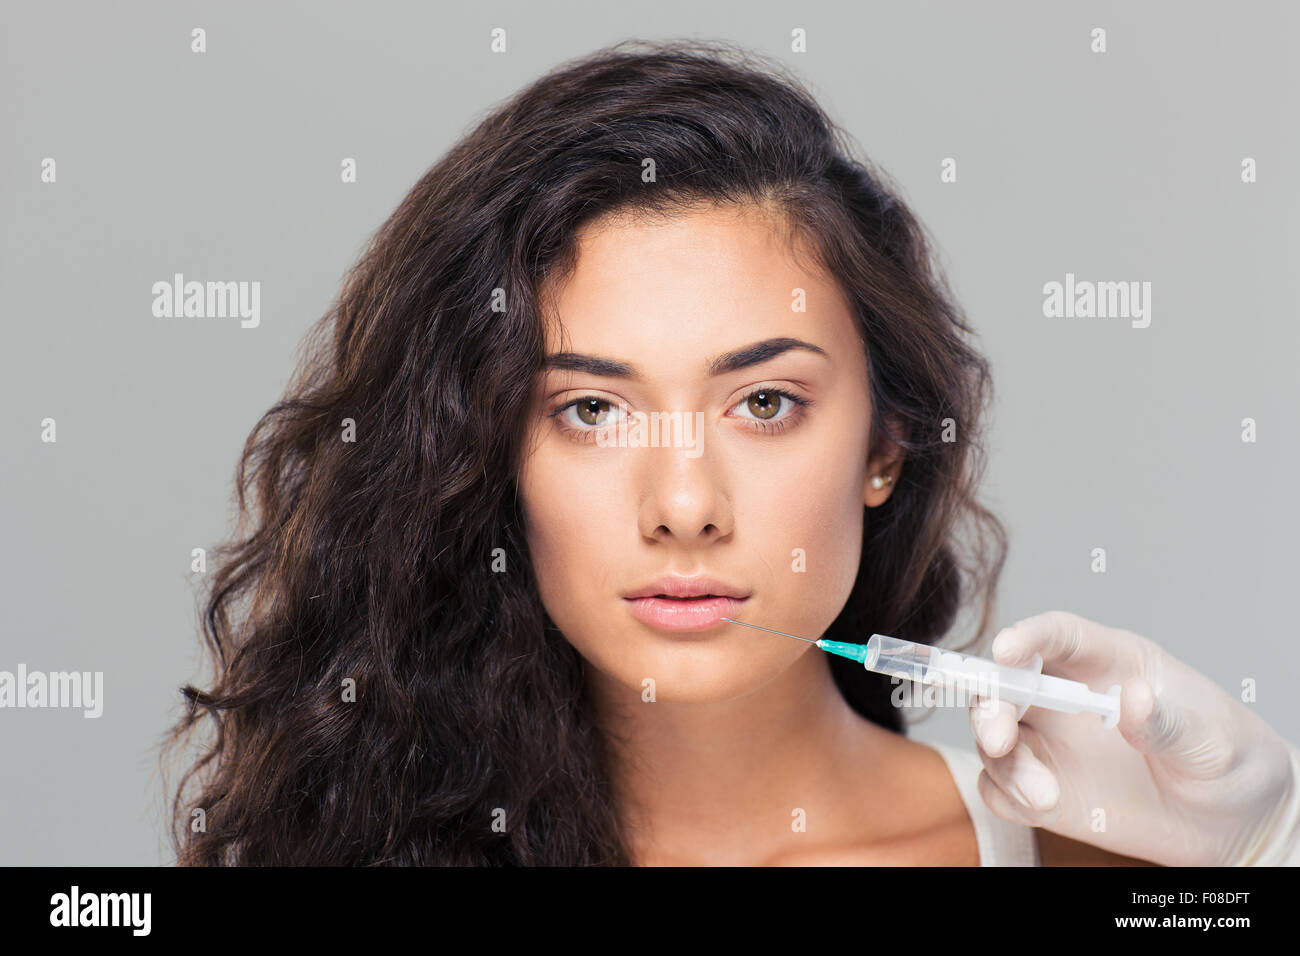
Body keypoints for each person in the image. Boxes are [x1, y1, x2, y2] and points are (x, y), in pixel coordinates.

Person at [161, 39, 1297, 866]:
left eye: (762, 401)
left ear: (883, 445)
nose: (685, 504)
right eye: (592, 411)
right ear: (489, 458)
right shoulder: (349, 849)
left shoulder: (1088, 863)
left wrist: (1263, 852)